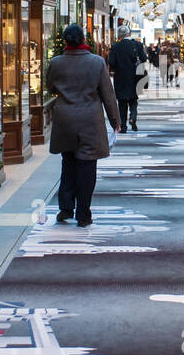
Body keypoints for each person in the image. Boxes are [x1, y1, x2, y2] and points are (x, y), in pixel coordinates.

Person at [48, 24, 119, 227]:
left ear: (65, 41)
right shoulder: (96, 63)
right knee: (87, 166)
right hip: (89, 120)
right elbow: (108, 94)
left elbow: (50, 86)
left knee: (68, 162)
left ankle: (65, 207)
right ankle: (83, 214)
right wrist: (115, 121)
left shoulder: (56, 63)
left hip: (65, 121)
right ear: (83, 40)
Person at [107, 25, 147, 133]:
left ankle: (123, 126)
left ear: (119, 35)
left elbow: (111, 62)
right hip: (135, 77)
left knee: (122, 103)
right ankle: (133, 117)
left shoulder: (115, 47)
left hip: (121, 77)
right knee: (133, 99)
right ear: (129, 34)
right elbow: (144, 58)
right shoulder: (137, 45)